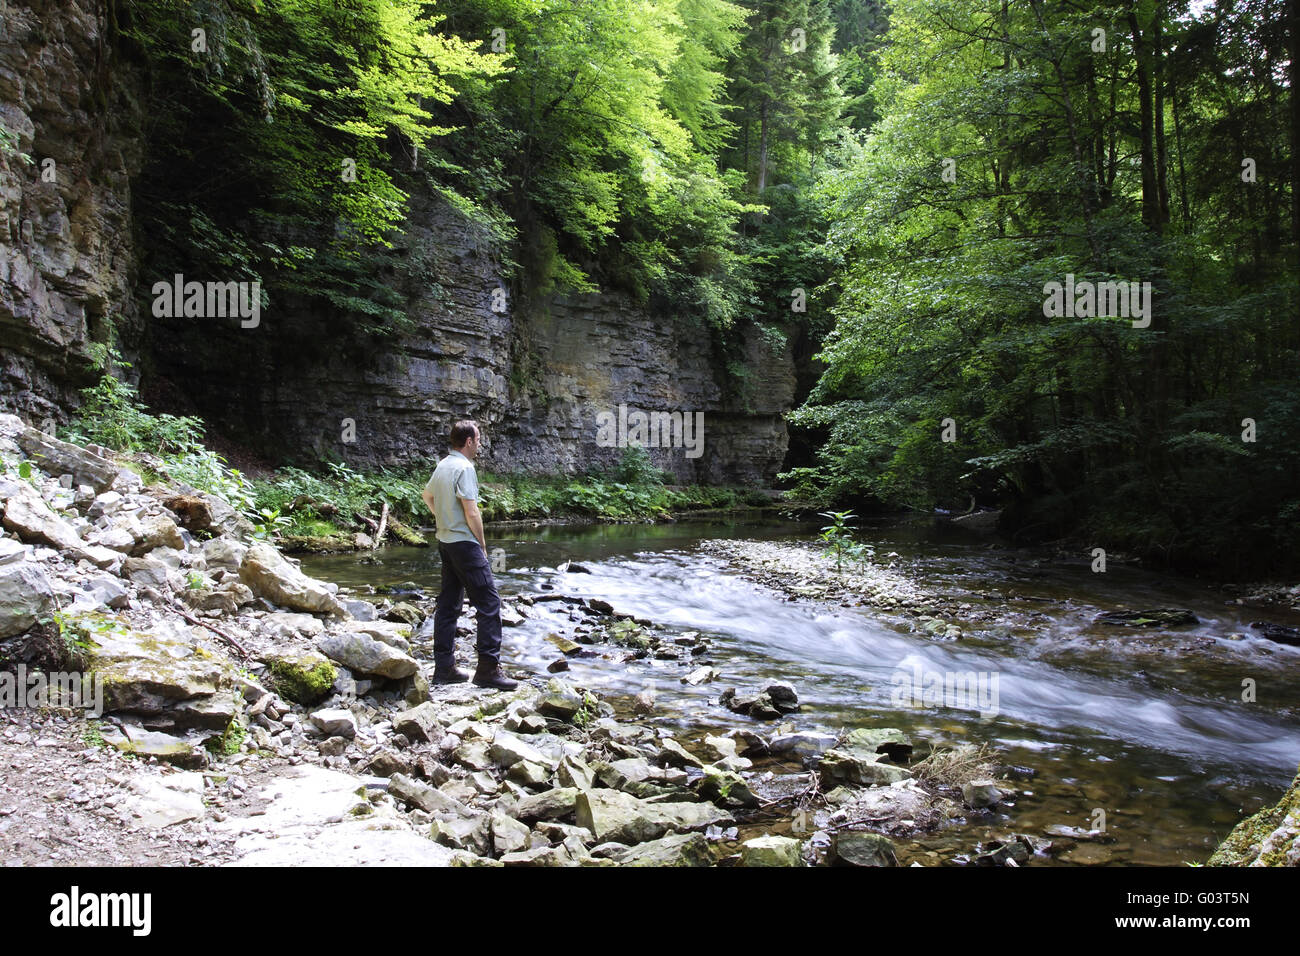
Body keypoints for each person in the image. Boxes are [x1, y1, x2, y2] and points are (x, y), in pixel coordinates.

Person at [422, 420, 517, 690]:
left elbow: (426, 496)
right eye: (478, 440)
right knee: (489, 604)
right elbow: (471, 510)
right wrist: (483, 545)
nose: (480, 445)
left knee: (448, 605)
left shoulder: (443, 465)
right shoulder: (465, 468)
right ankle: (488, 669)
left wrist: (442, 518)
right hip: (465, 543)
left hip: (445, 542)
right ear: (469, 442)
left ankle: (444, 668)